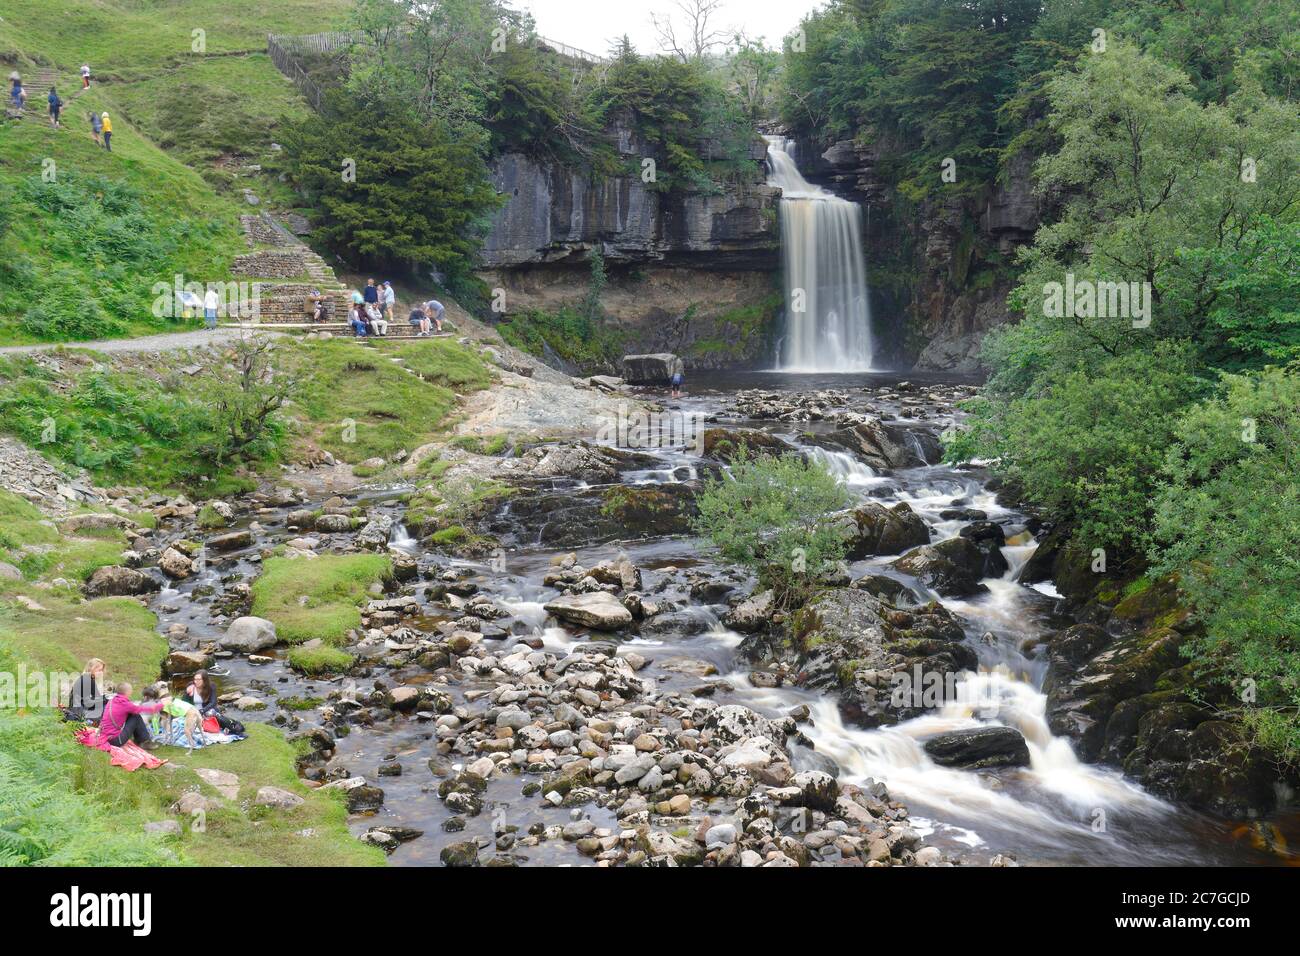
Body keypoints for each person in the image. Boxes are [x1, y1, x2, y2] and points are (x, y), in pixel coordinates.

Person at [98, 682, 166, 750]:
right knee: (136, 717)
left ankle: (139, 740)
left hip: (105, 736)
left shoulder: (112, 701)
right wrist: (162, 704)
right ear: (128, 692)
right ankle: (145, 742)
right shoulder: (125, 704)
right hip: (116, 740)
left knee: (132, 714)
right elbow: (147, 709)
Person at [182, 669, 242, 735]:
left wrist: (202, 711)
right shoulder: (191, 687)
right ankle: (230, 726)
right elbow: (184, 703)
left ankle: (233, 729)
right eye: (195, 679)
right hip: (193, 713)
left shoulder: (211, 686)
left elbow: (213, 702)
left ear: (204, 680)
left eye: (199, 679)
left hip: (206, 711)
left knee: (212, 714)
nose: (196, 681)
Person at [66, 658, 107, 724]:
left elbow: (97, 696)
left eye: (102, 670)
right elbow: (88, 703)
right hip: (78, 712)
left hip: (80, 708)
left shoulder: (89, 679)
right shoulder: (86, 679)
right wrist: (105, 699)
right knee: (106, 706)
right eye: (99, 670)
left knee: (107, 703)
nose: (101, 672)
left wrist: (106, 697)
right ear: (91, 668)